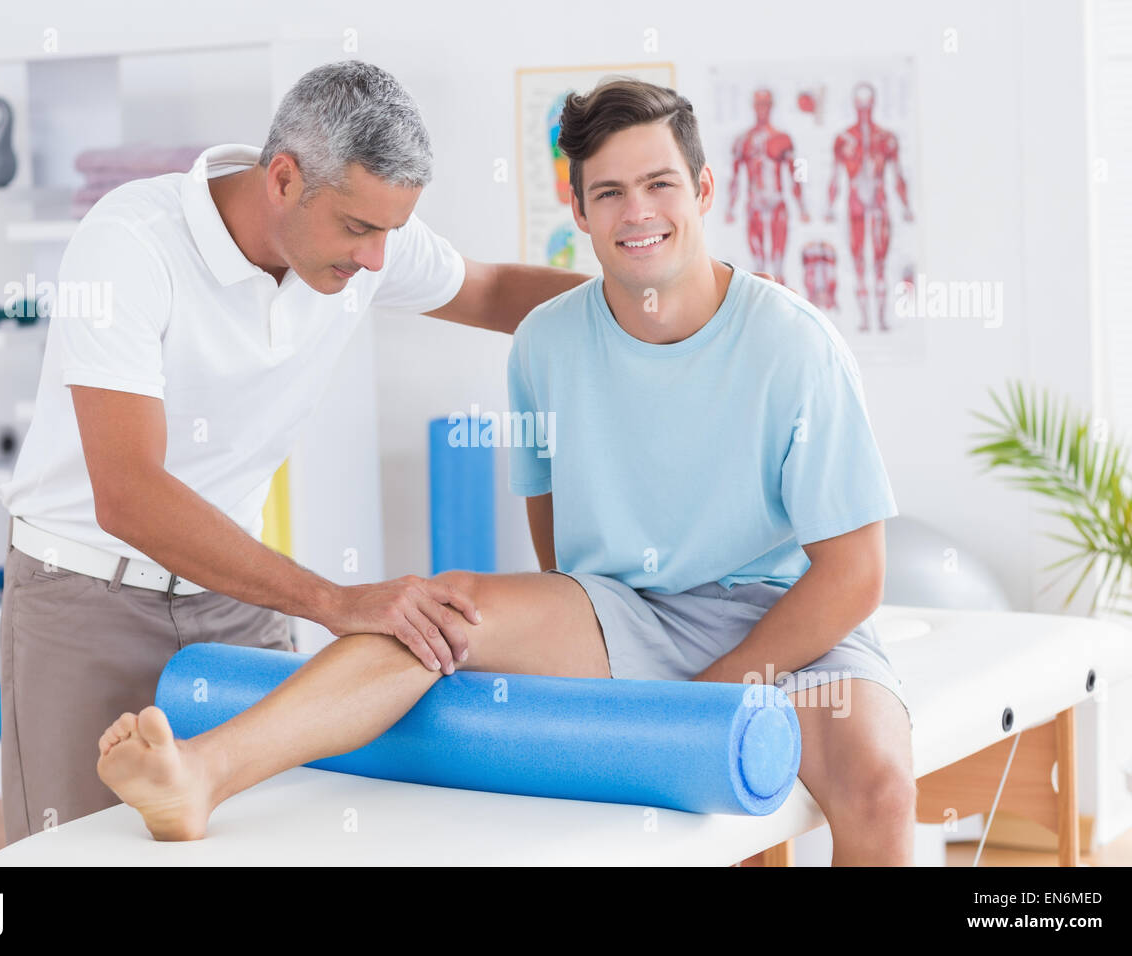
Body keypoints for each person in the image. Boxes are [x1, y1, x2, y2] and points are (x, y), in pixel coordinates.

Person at [97, 77, 916, 865]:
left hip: (791, 621)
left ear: (702, 191)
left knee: (879, 787)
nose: (638, 213)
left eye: (660, 184)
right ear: (579, 209)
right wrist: (594, 648)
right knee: (440, 610)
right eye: (609, 193)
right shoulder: (547, 344)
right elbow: (557, 553)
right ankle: (202, 773)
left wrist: (709, 694)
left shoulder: (794, 345)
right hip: (628, 611)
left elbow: (853, 576)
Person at [0, 60, 591, 843]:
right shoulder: (129, 246)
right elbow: (130, 493)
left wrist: (675, 298)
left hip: (237, 601)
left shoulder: (357, 241)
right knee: (81, 851)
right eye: (359, 229)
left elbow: (490, 292)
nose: (377, 259)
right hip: (88, 599)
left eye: (392, 231)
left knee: (263, 839)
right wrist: (337, 602)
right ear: (282, 179)